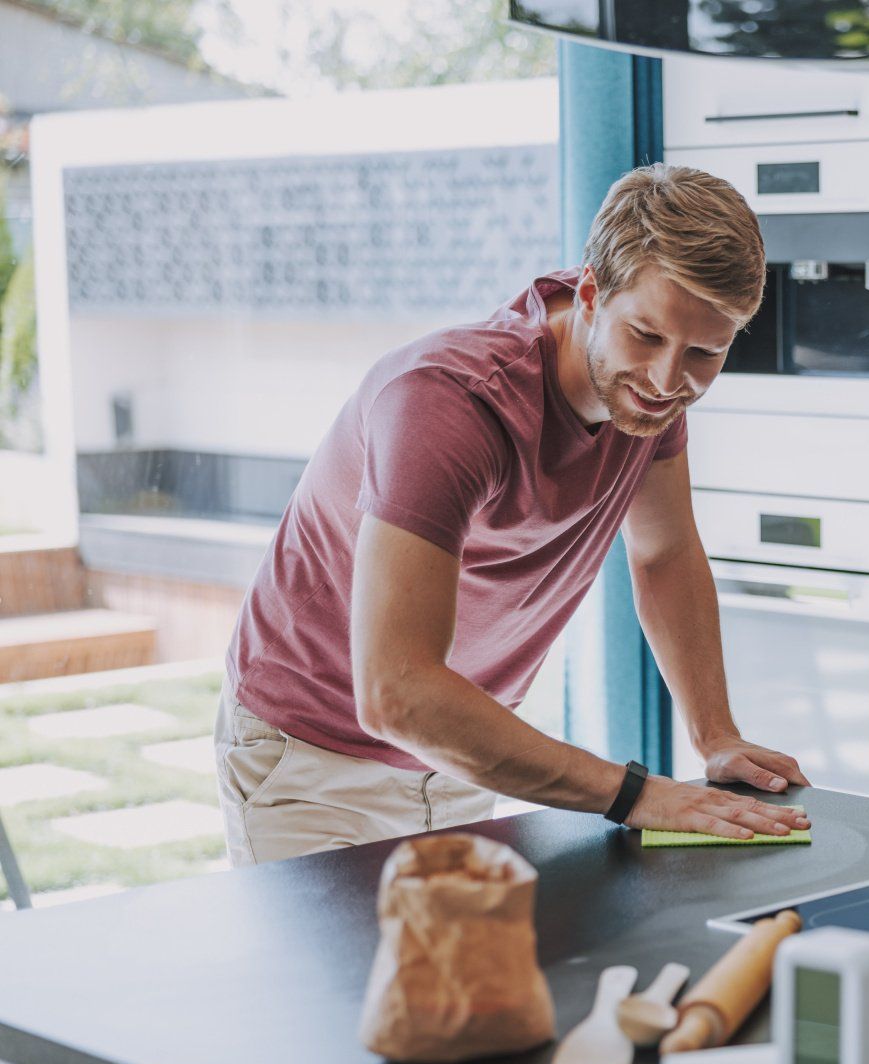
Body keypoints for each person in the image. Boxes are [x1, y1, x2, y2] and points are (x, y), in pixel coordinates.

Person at [216, 164, 809, 864]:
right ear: (590, 294)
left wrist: (716, 734)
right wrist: (637, 795)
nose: (667, 379)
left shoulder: (647, 399)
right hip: (311, 759)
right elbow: (395, 692)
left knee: (467, 943)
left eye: (706, 352)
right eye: (646, 336)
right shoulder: (448, 404)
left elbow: (664, 553)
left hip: (457, 755)